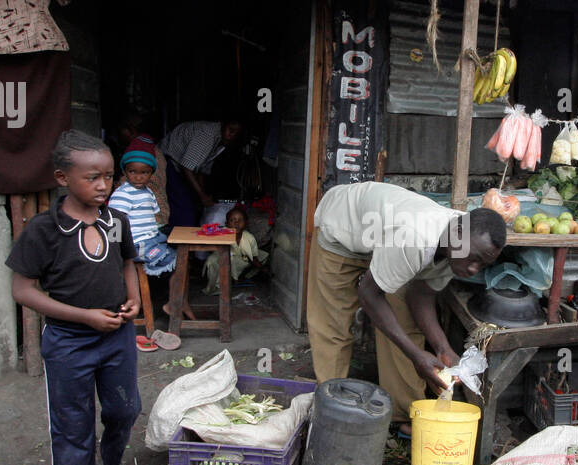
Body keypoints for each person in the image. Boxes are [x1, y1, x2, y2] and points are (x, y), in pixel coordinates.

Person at [7, 130, 142, 465]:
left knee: (124, 408)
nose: (103, 186)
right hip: (69, 341)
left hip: (116, 335)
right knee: (73, 420)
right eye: (92, 178)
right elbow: (23, 290)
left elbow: (126, 263)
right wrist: (83, 316)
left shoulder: (116, 221)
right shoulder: (43, 230)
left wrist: (134, 300)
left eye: (108, 176)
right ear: (62, 178)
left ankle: (111, 461)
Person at [307, 181, 507, 430]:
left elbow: (420, 296)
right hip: (343, 226)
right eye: (474, 260)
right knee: (333, 325)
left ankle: (405, 414)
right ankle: (331, 412)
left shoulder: (460, 244)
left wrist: (441, 347)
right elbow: (369, 295)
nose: (473, 270)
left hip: (387, 235)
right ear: (457, 235)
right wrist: (415, 355)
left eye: (481, 265)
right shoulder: (416, 239)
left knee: (404, 323)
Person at [109, 143, 177, 279]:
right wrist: (114, 247)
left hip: (150, 238)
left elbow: (153, 216)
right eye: (132, 172)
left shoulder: (149, 192)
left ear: (152, 173)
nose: (138, 177)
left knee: (177, 253)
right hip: (135, 243)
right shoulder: (123, 193)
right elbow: (115, 220)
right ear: (124, 171)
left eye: (144, 172)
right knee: (172, 258)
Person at [160, 119, 242, 227]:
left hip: (181, 168)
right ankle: (179, 241)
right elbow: (186, 167)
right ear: (223, 124)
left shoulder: (220, 142)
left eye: (236, 133)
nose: (232, 135)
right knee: (184, 211)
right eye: (230, 130)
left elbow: (201, 171)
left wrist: (202, 195)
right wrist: (202, 196)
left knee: (192, 208)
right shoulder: (207, 135)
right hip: (168, 162)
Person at [203, 205, 267, 294]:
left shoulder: (249, 238)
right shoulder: (222, 233)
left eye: (240, 220)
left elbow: (254, 257)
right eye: (232, 220)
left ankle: (235, 279)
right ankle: (214, 287)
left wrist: (262, 268)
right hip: (220, 255)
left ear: (246, 223)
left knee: (261, 257)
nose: (236, 223)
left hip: (239, 259)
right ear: (227, 223)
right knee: (211, 260)